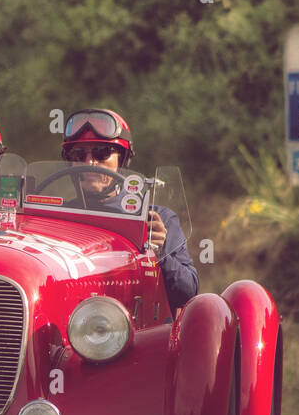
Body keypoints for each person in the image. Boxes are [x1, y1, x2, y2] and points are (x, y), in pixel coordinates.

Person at [60, 108, 199, 309]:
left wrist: (159, 253)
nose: (90, 163)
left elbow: (187, 294)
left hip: (132, 328)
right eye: (79, 155)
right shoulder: (57, 216)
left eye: (102, 153)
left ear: (122, 161)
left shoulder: (155, 219)